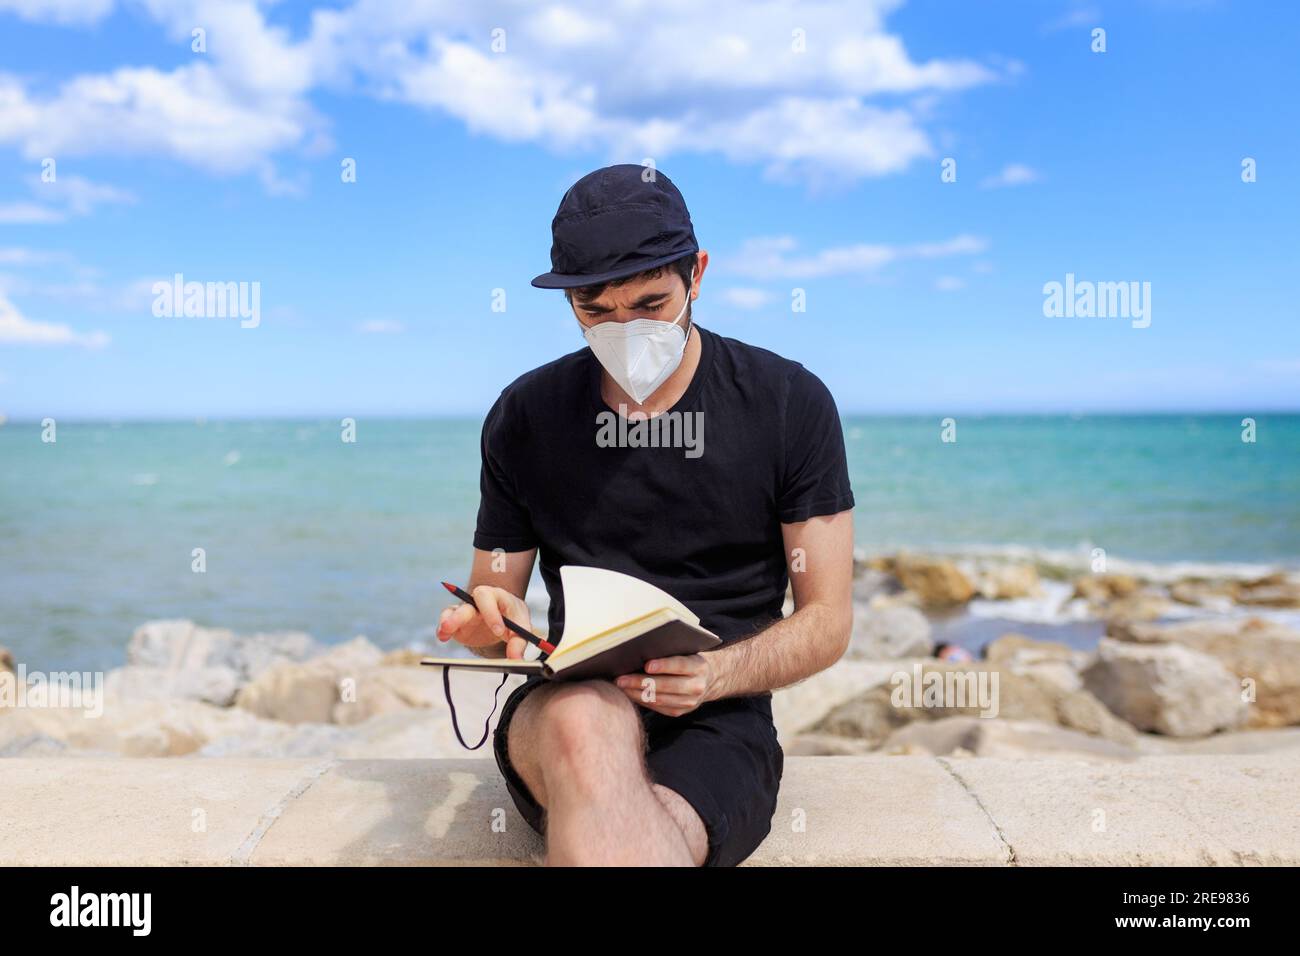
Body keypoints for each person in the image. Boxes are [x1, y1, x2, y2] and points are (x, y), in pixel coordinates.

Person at [437, 164, 855, 866]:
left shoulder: (787, 403)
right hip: (572, 699)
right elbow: (497, 608)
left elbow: (828, 620)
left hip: (720, 711)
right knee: (580, 722)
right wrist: (488, 630)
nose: (624, 330)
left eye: (650, 304)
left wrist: (716, 675)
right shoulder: (525, 416)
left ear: (697, 273)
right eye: (595, 312)